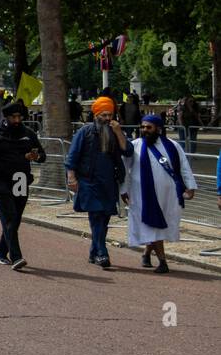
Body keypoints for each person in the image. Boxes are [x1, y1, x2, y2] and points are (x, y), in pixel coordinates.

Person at [121, 114, 197, 273]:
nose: (144, 130)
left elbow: (184, 167)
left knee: (158, 226)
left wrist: (190, 187)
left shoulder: (173, 146)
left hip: (168, 196)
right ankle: (163, 261)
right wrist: (123, 190)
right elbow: (124, 170)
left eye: (149, 127)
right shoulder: (134, 146)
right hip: (141, 195)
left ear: (158, 129)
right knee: (152, 225)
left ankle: (146, 254)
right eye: (142, 127)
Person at [64, 96, 131, 269]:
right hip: (88, 181)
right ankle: (102, 253)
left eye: (110, 115)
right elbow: (72, 157)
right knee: (96, 217)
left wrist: (119, 132)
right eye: (104, 115)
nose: (108, 118)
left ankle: (94, 252)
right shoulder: (84, 132)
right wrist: (71, 177)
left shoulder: (115, 132)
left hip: (109, 182)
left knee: (105, 218)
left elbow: (128, 151)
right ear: (96, 115)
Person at [0, 101, 46, 271]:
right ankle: (16, 257)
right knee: (9, 217)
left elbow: (42, 156)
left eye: (19, 117)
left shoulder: (28, 133)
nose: (17, 120)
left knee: (15, 219)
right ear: (6, 117)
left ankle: (1, 251)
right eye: (13, 117)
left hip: (21, 179)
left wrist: (35, 157)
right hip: (0, 179)